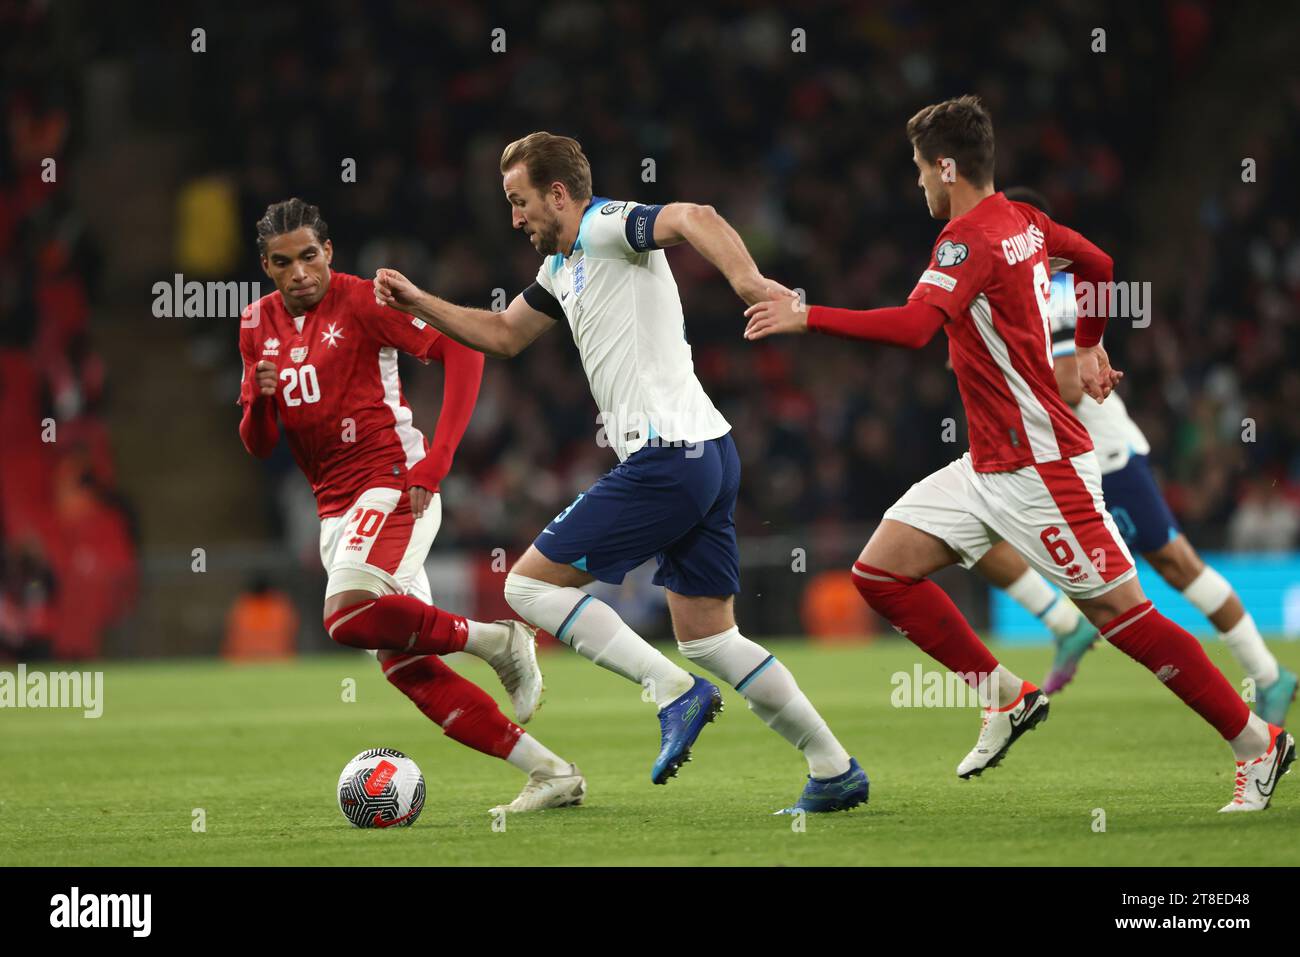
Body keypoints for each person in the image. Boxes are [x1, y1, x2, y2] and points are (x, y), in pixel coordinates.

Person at [743, 96, 1293, 812]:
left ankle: (1257, 741)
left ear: (947, 168)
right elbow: (1098, 262)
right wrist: (1090, 342)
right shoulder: (1026, 222)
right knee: (880, 572)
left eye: (920, 168)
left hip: (1043, 468)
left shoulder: (966, 241)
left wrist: (806, 315)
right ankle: (1003, 693)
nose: (918, 182)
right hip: (986, 465)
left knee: (1124, 616)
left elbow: (913, 329)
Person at [374, 133, 868, 813]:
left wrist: (752, 285)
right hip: (707, 451)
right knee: (711, 638)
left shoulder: (607, 225)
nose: (514, 218)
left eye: (520, 201)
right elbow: (503, 335)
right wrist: (419, 303)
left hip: (668, 457)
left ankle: (673, 691)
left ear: (557, 194)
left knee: (526, 585)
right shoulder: (560, 267)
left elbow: (694, 216)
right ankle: (833, 768)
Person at [238, 198, 584, 814]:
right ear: (266, 266)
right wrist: (260, 402)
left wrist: (439, 459)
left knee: (344, 615)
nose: (300, 273)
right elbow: (259, 444)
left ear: (329, 252)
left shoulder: (365, 300)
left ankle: (498, 641)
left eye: (310, 256)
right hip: (333, 510)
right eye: (283, 262)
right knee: (408, 669)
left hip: (393, 481)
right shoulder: (254, 324)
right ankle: (550, 773)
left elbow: (464, 351)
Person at [977, 187, 1295, 720]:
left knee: (1176, 564)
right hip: (1051, 461)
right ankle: (1064, 623)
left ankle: (1268, 675)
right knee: (976, 533)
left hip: (1104, 459)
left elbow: (1070, 383)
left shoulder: (1057, 293)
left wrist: (1003, 378)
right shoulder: (1009, 295)